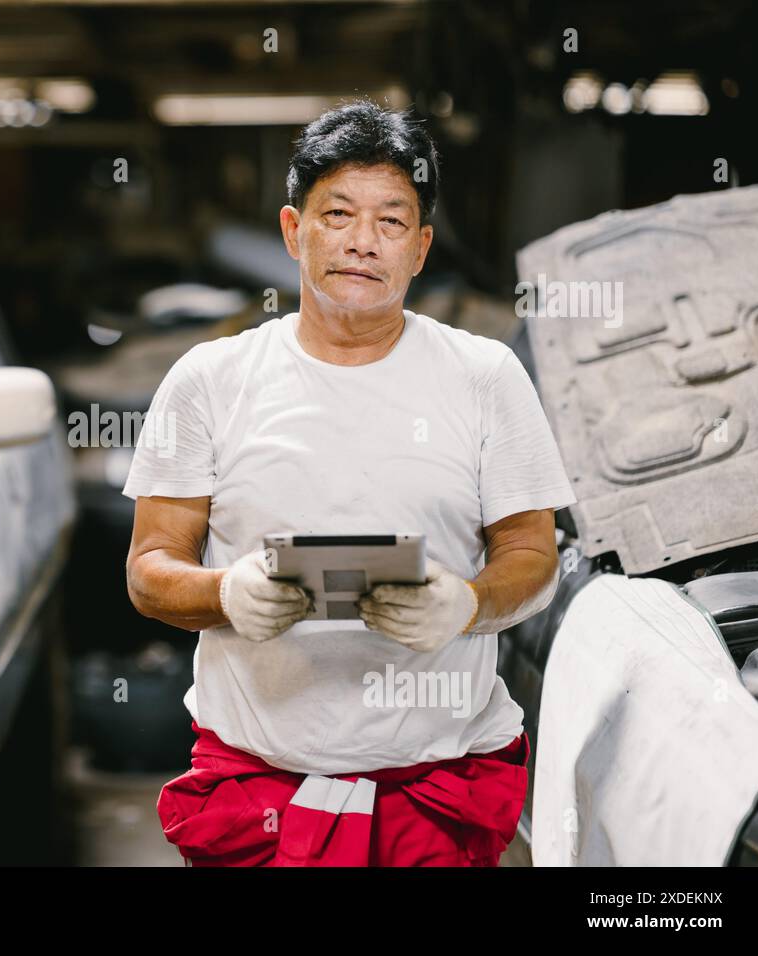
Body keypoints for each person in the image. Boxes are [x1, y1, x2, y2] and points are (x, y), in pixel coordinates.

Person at [122, 99, 576, 866]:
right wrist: (227, 594)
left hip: (437, 793)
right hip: (257, 793)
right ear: (294, 230)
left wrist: (466, 604)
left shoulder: (485, 376)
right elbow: (148, 570)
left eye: (392, 221)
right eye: (338, 214)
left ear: (422, 248)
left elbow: (534, 557)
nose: (363, 242)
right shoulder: (210, 379)